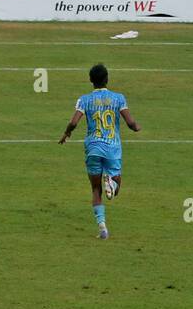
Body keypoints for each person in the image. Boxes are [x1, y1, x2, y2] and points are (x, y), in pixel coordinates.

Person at [58, 64, 141, 241]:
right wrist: (136, 127)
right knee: (116, 186)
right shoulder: (118, 98)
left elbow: (73, 122)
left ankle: (102, 227)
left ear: (91, 81)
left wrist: (67, 133)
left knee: (95, 189)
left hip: (93, 148)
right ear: (107, 79)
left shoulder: (84, 100)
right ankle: (111, 182)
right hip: (112, 148)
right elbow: (130, 122)